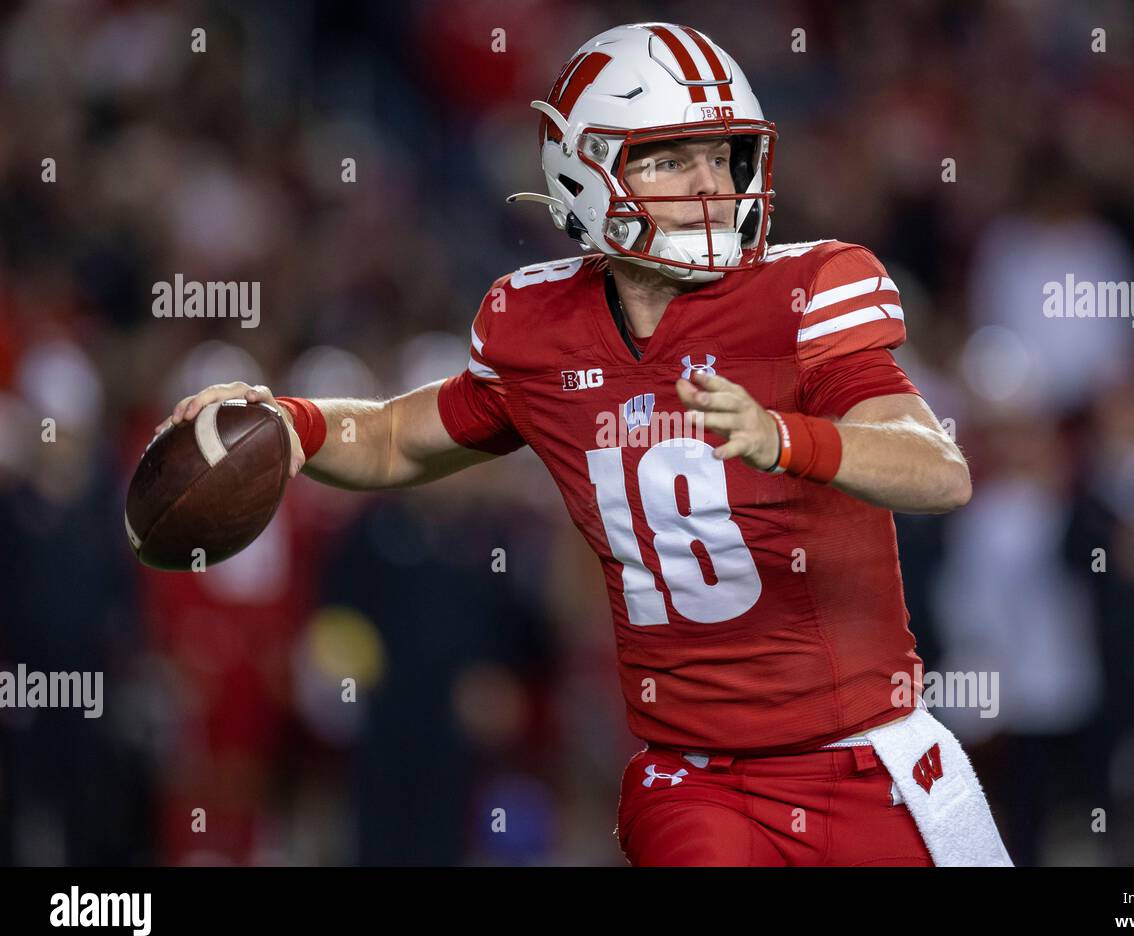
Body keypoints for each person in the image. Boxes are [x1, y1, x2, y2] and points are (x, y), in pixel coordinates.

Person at [159, 23, 1010, 866]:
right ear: (589, 171)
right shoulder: (537, 329)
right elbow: (393, 439)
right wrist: (287, 422)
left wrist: (784, 437)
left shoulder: (810, 290)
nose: (712, 183)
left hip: (868, 759)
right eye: (673, 158)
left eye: (723, 154)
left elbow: (937, 468)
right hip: (696, 778)